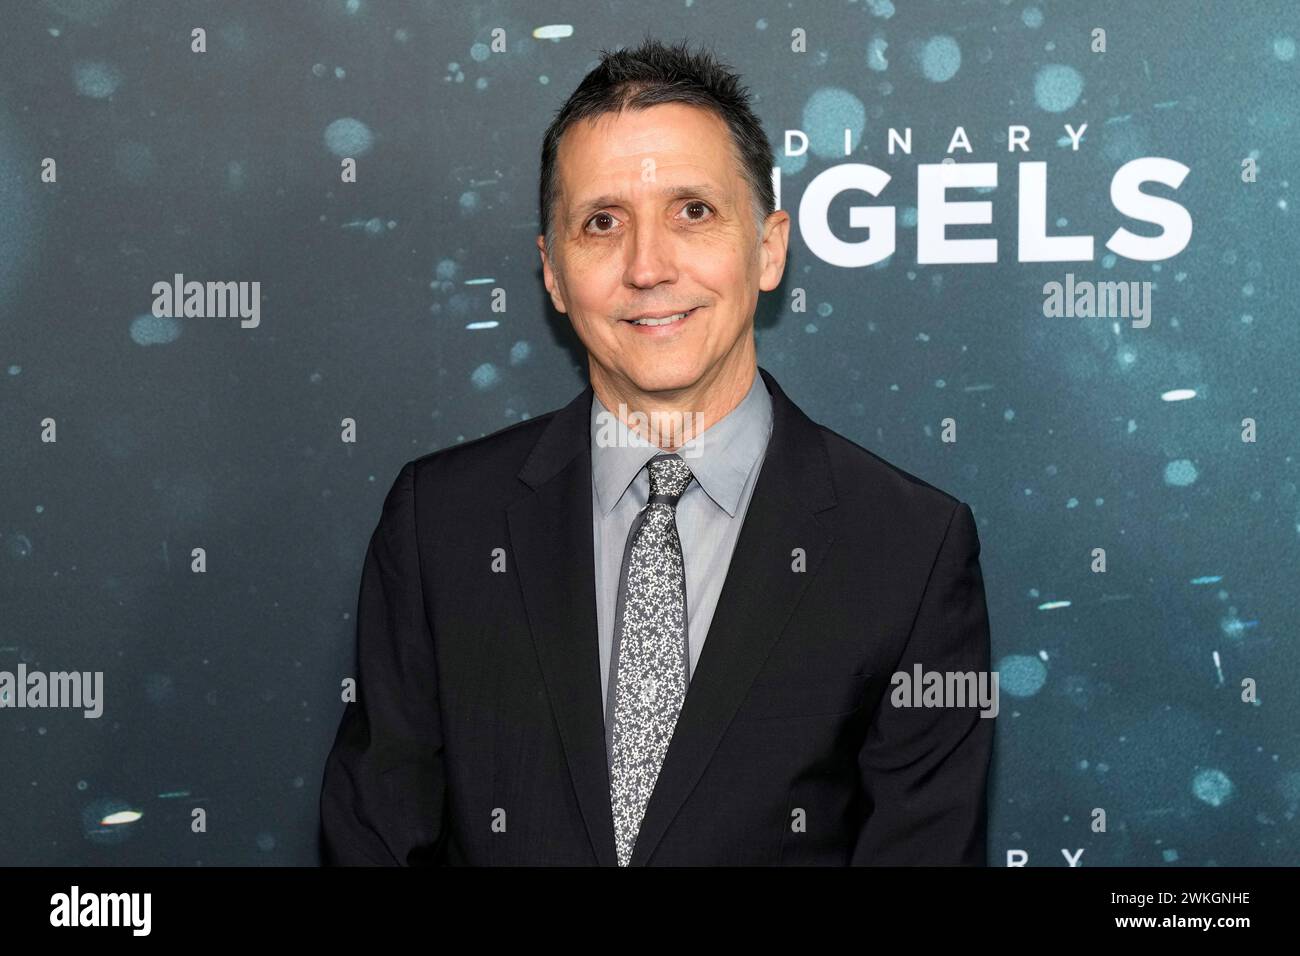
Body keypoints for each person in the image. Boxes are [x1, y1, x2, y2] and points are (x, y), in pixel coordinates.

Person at [320, 36, 994, 866]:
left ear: (769, 248)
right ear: (553, 272)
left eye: (693, 212)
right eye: (602, 223)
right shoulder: (440, 524)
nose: (647, 267)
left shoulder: (909, 549)